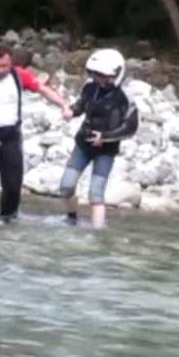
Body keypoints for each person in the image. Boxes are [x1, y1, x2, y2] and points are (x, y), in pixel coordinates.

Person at [0, 44, 73, 222]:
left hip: (10, 135)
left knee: (12, 185)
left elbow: (43, 90)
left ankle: (8, 222)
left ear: (11, 63)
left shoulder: (19, 75)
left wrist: (64, 105)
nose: (0, 70)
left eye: (4, 66)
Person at [58, 49, 139, 228]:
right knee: (66, 187)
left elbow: (130, 128)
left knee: (96, 194)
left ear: (117, 74)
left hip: (106, 150)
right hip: (83, 144)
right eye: (96, 74)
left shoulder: (125, 97)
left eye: (104, 75)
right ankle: (72, 218)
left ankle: (97, 234)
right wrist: (71, 111)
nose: (100, 79)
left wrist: (105, 137)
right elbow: (81, 104)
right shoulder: (90, 87)